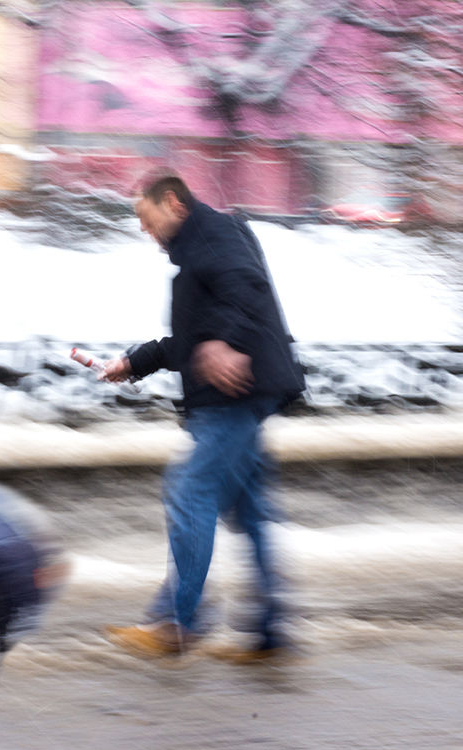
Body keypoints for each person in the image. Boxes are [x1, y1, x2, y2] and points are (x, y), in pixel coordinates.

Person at [101, 173, 305, 663]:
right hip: (241, 389)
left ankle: (178, 620)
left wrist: (225, 343)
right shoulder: (199, 255)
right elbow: (191, 340)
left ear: (173, 203)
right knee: (250, 511)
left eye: (148, 221)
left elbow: (245, 288)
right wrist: (136, 362)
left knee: (189, 491)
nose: (148, 234)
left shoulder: (216, 234)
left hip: (235, 392)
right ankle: (272, 630)